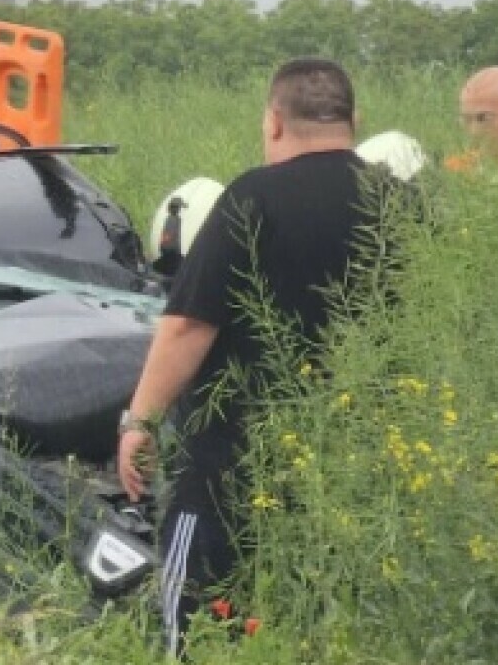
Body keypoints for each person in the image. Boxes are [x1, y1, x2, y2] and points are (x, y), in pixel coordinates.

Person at [116, 58, 383, 657]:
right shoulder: (399, 202)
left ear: (275, 121)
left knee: (197, 632)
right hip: (360, 471)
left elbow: (187, 325)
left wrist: (140, 422)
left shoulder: (251, 198)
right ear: (353, 121)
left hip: (230, 468)